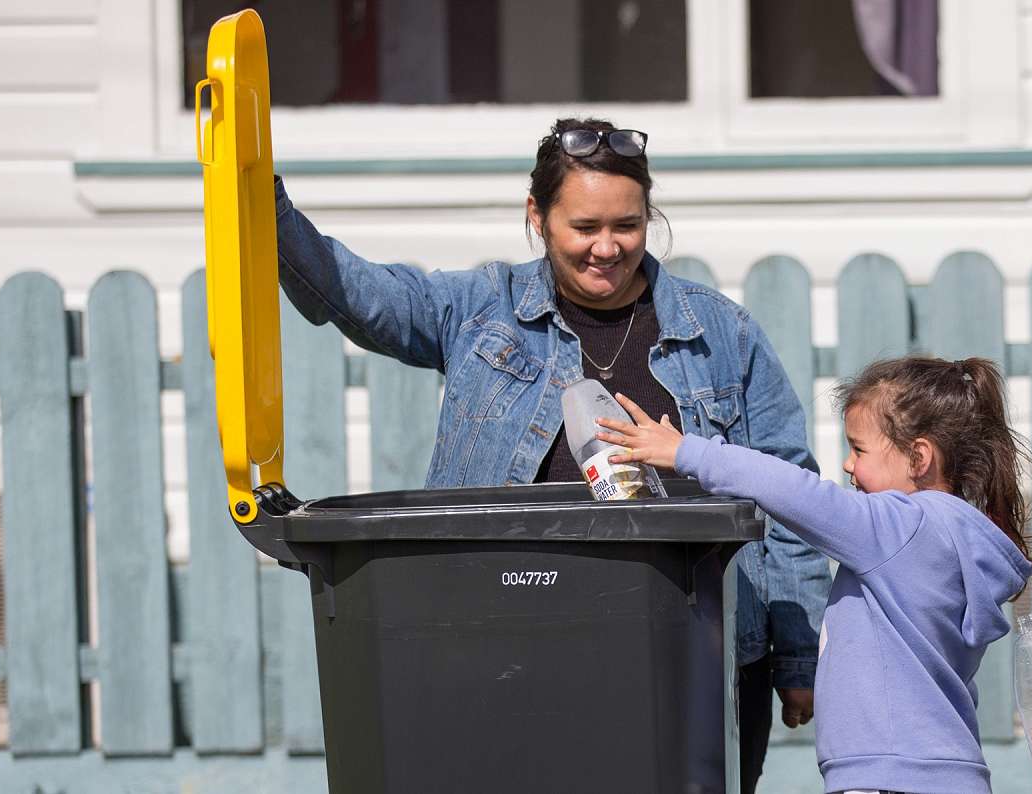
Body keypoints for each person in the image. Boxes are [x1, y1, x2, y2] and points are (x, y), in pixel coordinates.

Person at [273, 117, 830, 792]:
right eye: (584, 227)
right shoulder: (482, 309)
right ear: (536, 216)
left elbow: (789, 490)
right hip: (502, 648)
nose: (607, 247)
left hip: (686, 663)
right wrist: (264, 206)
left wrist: (797, 661)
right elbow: (360, 297)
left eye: (626, 225)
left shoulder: (720, 333)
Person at [599, 356, 1032, 794]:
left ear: (919, 457)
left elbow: (798, 494)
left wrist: (687, 452)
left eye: (859, 449)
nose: (848, 465)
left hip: (889, 779)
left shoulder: (901, 528)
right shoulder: (951, 534)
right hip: (944, 772)